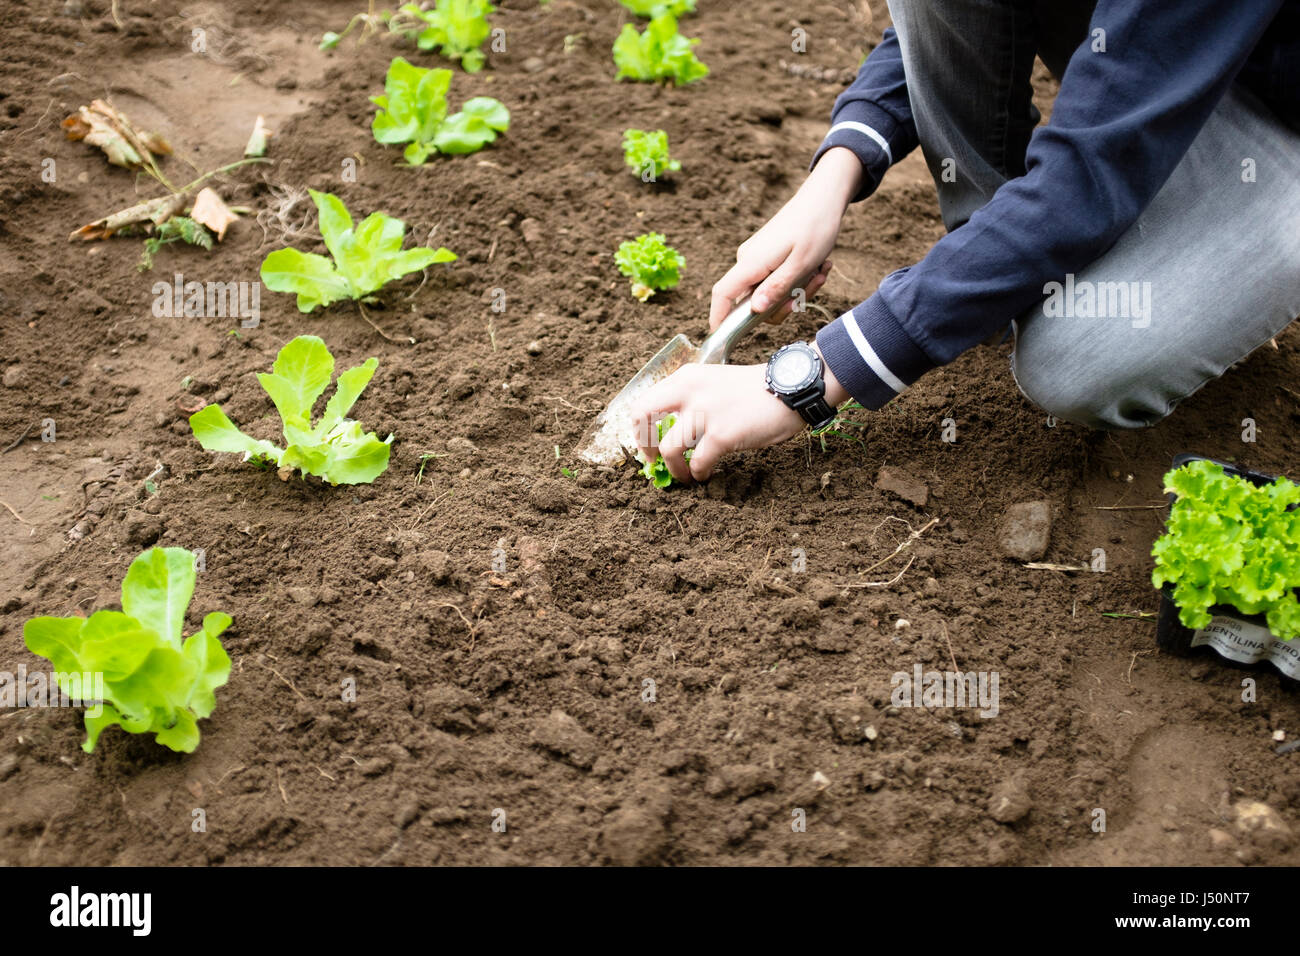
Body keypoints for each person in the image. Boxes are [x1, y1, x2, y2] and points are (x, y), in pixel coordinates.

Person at [632, 0, 1300, 484]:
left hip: (1279, 123)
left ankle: (1005, 266)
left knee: (1075, 364)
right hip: (1152, 59)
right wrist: (834, 175)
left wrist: (807, 381)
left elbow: (1091, 174)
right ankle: (996, 267)